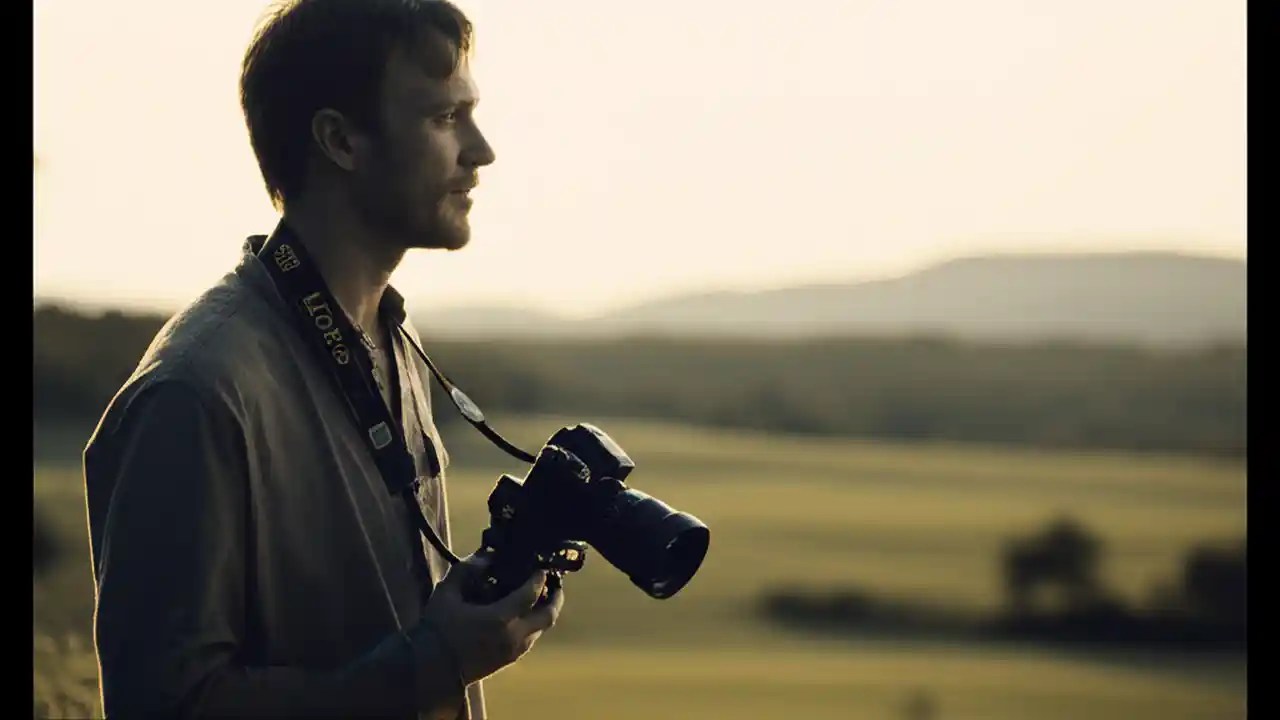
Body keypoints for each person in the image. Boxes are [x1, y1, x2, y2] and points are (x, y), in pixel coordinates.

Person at [80, 1, 562, 718]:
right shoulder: (196, 393)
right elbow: (166, 706)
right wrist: (438, 660)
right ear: (340, 139)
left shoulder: (395, 338)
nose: (481, 149)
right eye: (443, 118)